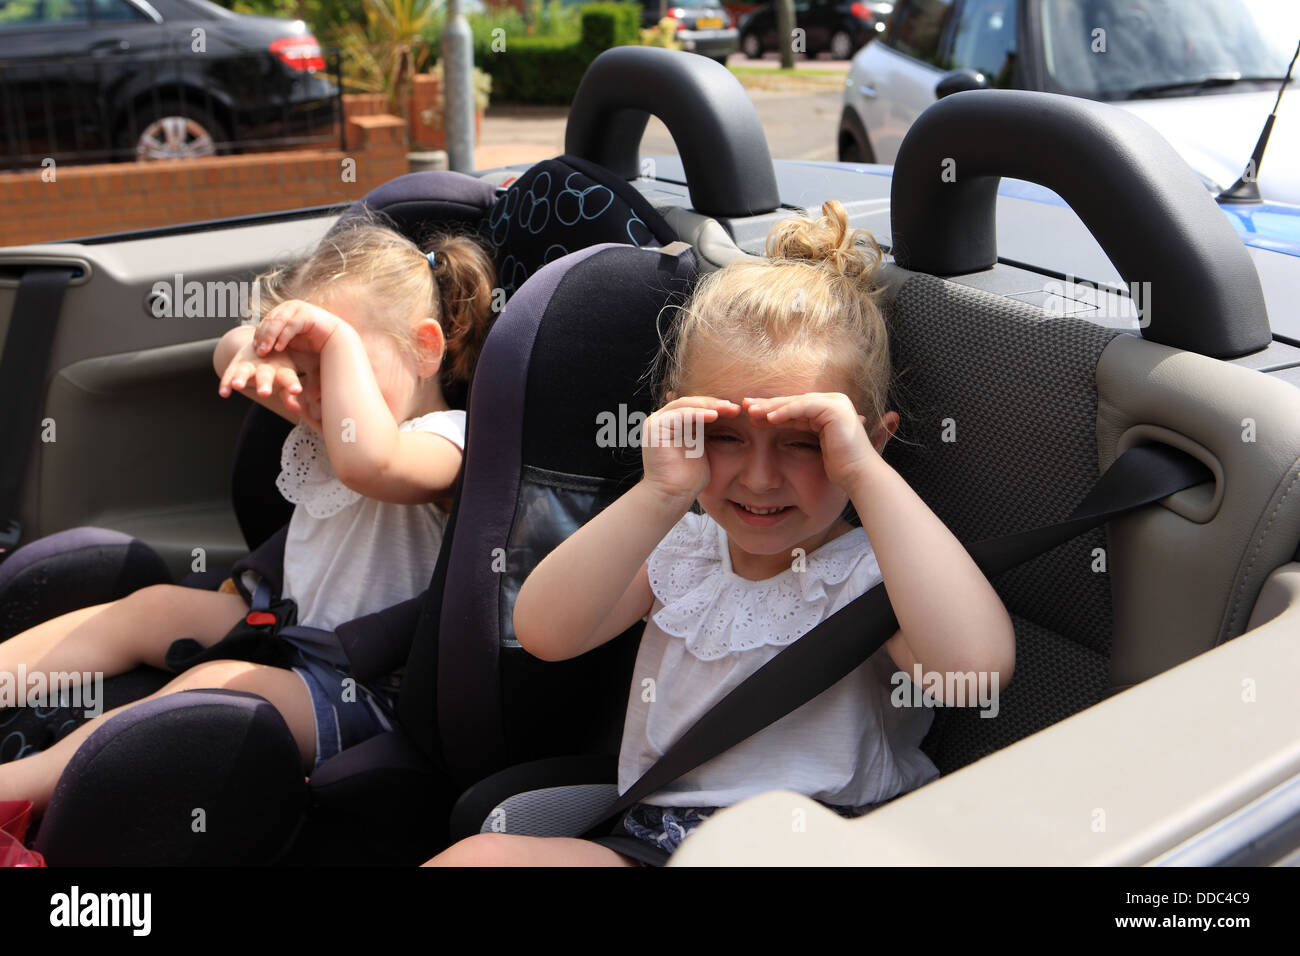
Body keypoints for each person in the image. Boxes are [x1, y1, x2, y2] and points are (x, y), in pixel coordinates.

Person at [424, 200, 1016, 866]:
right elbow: (544, 631)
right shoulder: (681, 551)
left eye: (806, 443)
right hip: (662, 842)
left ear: (869, 441)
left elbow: (972, 675)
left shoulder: (878, 576)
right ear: (678, 423)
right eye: (724, 436)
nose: (760, 479)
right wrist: (658, 494)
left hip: (825, 848)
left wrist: (864, 474)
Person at [0, 217, 498, 815]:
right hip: (288, 627)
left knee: (207, 688)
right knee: (151, 608)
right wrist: (269, 350)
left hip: (363, 689)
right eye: (306, 372)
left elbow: (370, 462)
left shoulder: (450, 439)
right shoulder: (327, 411)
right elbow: (225, 352)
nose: (313, 394)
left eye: (337, 366)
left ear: (424, 347)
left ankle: (19, 786)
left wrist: (330, 344)